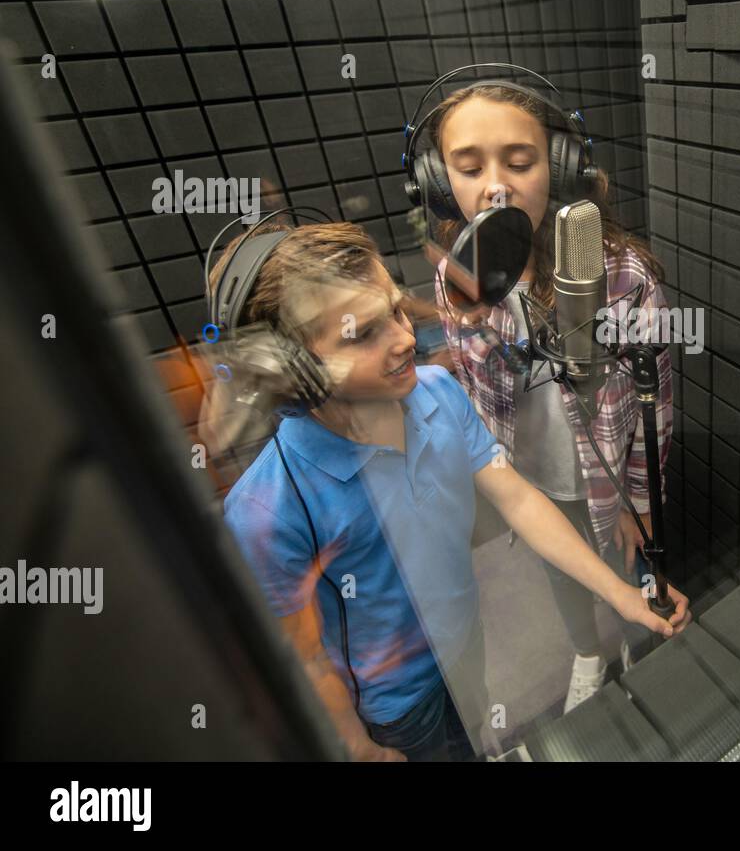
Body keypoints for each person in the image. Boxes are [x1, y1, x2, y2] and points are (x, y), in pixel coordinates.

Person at [213, 220, 689, 761]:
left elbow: (519, 499)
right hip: (395, 702)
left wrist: (620, 592)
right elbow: (298, 657)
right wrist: (356, 746)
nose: (406, 338)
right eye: (361, 333)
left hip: (466, 644)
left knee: (472, 739)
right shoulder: (266, 509)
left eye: (395, 310)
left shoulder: (438, 391)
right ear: (292, 372)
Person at [422, 79, 677, 713]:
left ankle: (637, 657)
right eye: (469, 165)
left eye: (519, 161)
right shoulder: (455, 278)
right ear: (436, 179)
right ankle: (587, 653)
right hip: (532, 479)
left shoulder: (623, 277)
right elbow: (475, 388)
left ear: (560, 167)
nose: (496, 186)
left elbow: (659, 407)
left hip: (609, 479)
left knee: (630, 576)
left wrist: (638, 501)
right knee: (561, 574)